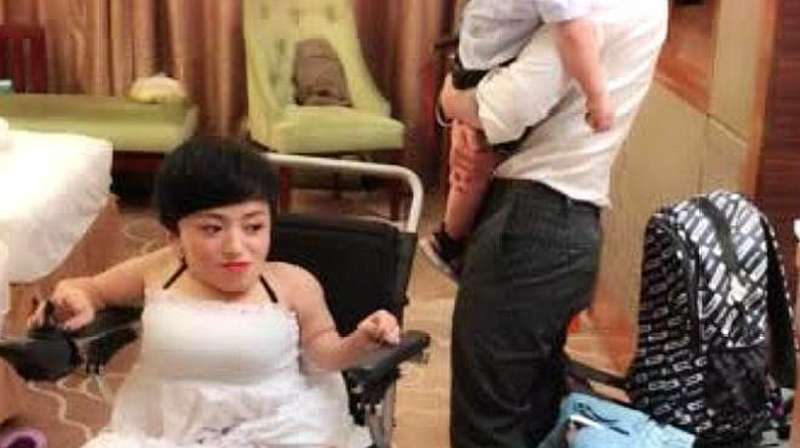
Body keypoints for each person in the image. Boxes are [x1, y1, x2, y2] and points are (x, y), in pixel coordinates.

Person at [29, 137, 400, 448]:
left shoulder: (292, 284)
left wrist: (361, 341)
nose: (236, 247)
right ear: (174, 235)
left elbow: (326, 355)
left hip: (275, 430)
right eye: (212, 229)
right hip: (164, 432)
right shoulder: (160, 269)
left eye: (253, 227)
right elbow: (91, 288)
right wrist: (76, 297)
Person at [436, 0, 669, 446]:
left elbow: (507, 107)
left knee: (486, 423)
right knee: (533, 413)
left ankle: (447, 238)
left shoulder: (597, 12)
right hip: (567, 224)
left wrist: (449, 98)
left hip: (529, 223)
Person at [421, 0, 614, 279]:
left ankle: (454, 239)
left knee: (472, 161)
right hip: (489, 63)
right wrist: (597, 97)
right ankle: (449, 241)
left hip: (477, 53)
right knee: (475, 165)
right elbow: (573, 31)